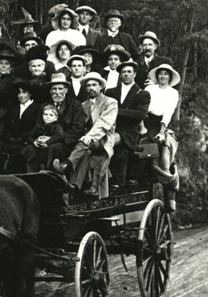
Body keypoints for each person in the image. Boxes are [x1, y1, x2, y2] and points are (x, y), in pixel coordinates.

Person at [55, 72, 118, 198]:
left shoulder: (110, 102)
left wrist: (90, 136)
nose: (91, 88)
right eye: (88, 85)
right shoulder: (83, 105)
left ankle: (66, 165)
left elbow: (104, 123)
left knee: (84, 143)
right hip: (86, 140)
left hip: (103, 139)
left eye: (94, 85)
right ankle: (74, 185)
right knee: (87, 152)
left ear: (101, 87)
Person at [105, 59, 151, 192]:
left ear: (134, 74)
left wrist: (116, 111)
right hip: (111, 127)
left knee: (110, 142)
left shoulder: (142, 94)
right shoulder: (111, 92)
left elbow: (140, 114)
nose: (126, 74)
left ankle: (117, 182)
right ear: (120, 74)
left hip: (129, 131)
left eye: (129, 72)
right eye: (123, 72)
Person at [143, 63, 181, 213]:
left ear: (170, 77)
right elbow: (144, 108)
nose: (163, 76)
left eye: (166, 74)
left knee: (163, 150)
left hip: (160, 124)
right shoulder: (149, 89)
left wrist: (162, 131)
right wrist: (141, 126)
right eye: (160, 74)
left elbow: (168, 112)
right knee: (140, 146)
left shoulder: (173, 93)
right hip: (145, 121)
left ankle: (170, 188)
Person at [6, 81, 43, 173]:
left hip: (28, 141)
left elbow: (36, 127)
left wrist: (23, 138)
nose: (21, 95)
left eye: (24, 92)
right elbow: (7, 126)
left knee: (20, 156)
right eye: (19, 92)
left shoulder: (37, 107)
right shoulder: (14, 108)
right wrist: (10, 138)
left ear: (30, 93)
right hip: (13, 142)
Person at [19, 104, 66, 172]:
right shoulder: (39, 126)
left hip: (49, 149)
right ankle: (32, 171)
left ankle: (47, 169)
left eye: (51, 115)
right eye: (46, 114)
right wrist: (34, 141)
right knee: (30, 149)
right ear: (42, 116)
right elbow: (29, 136)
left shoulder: (56, 127)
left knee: (54, 148)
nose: (48, 117)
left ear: (56, 118)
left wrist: (47, 141)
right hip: (39, 149)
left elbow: (60, 135)